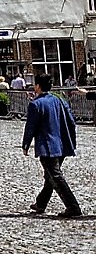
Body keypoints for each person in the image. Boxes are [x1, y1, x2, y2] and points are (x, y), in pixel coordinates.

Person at [22, 74, 82, 218]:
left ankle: (73, 207)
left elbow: (31, 126)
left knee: (55, 175)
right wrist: (70, 140)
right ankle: (41, 203)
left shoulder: (36, 104)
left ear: (37, 86)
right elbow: (71, 121)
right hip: (62, 143)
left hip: (48, 145)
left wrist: (26, 144)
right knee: (50, 175)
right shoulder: (60, 100)